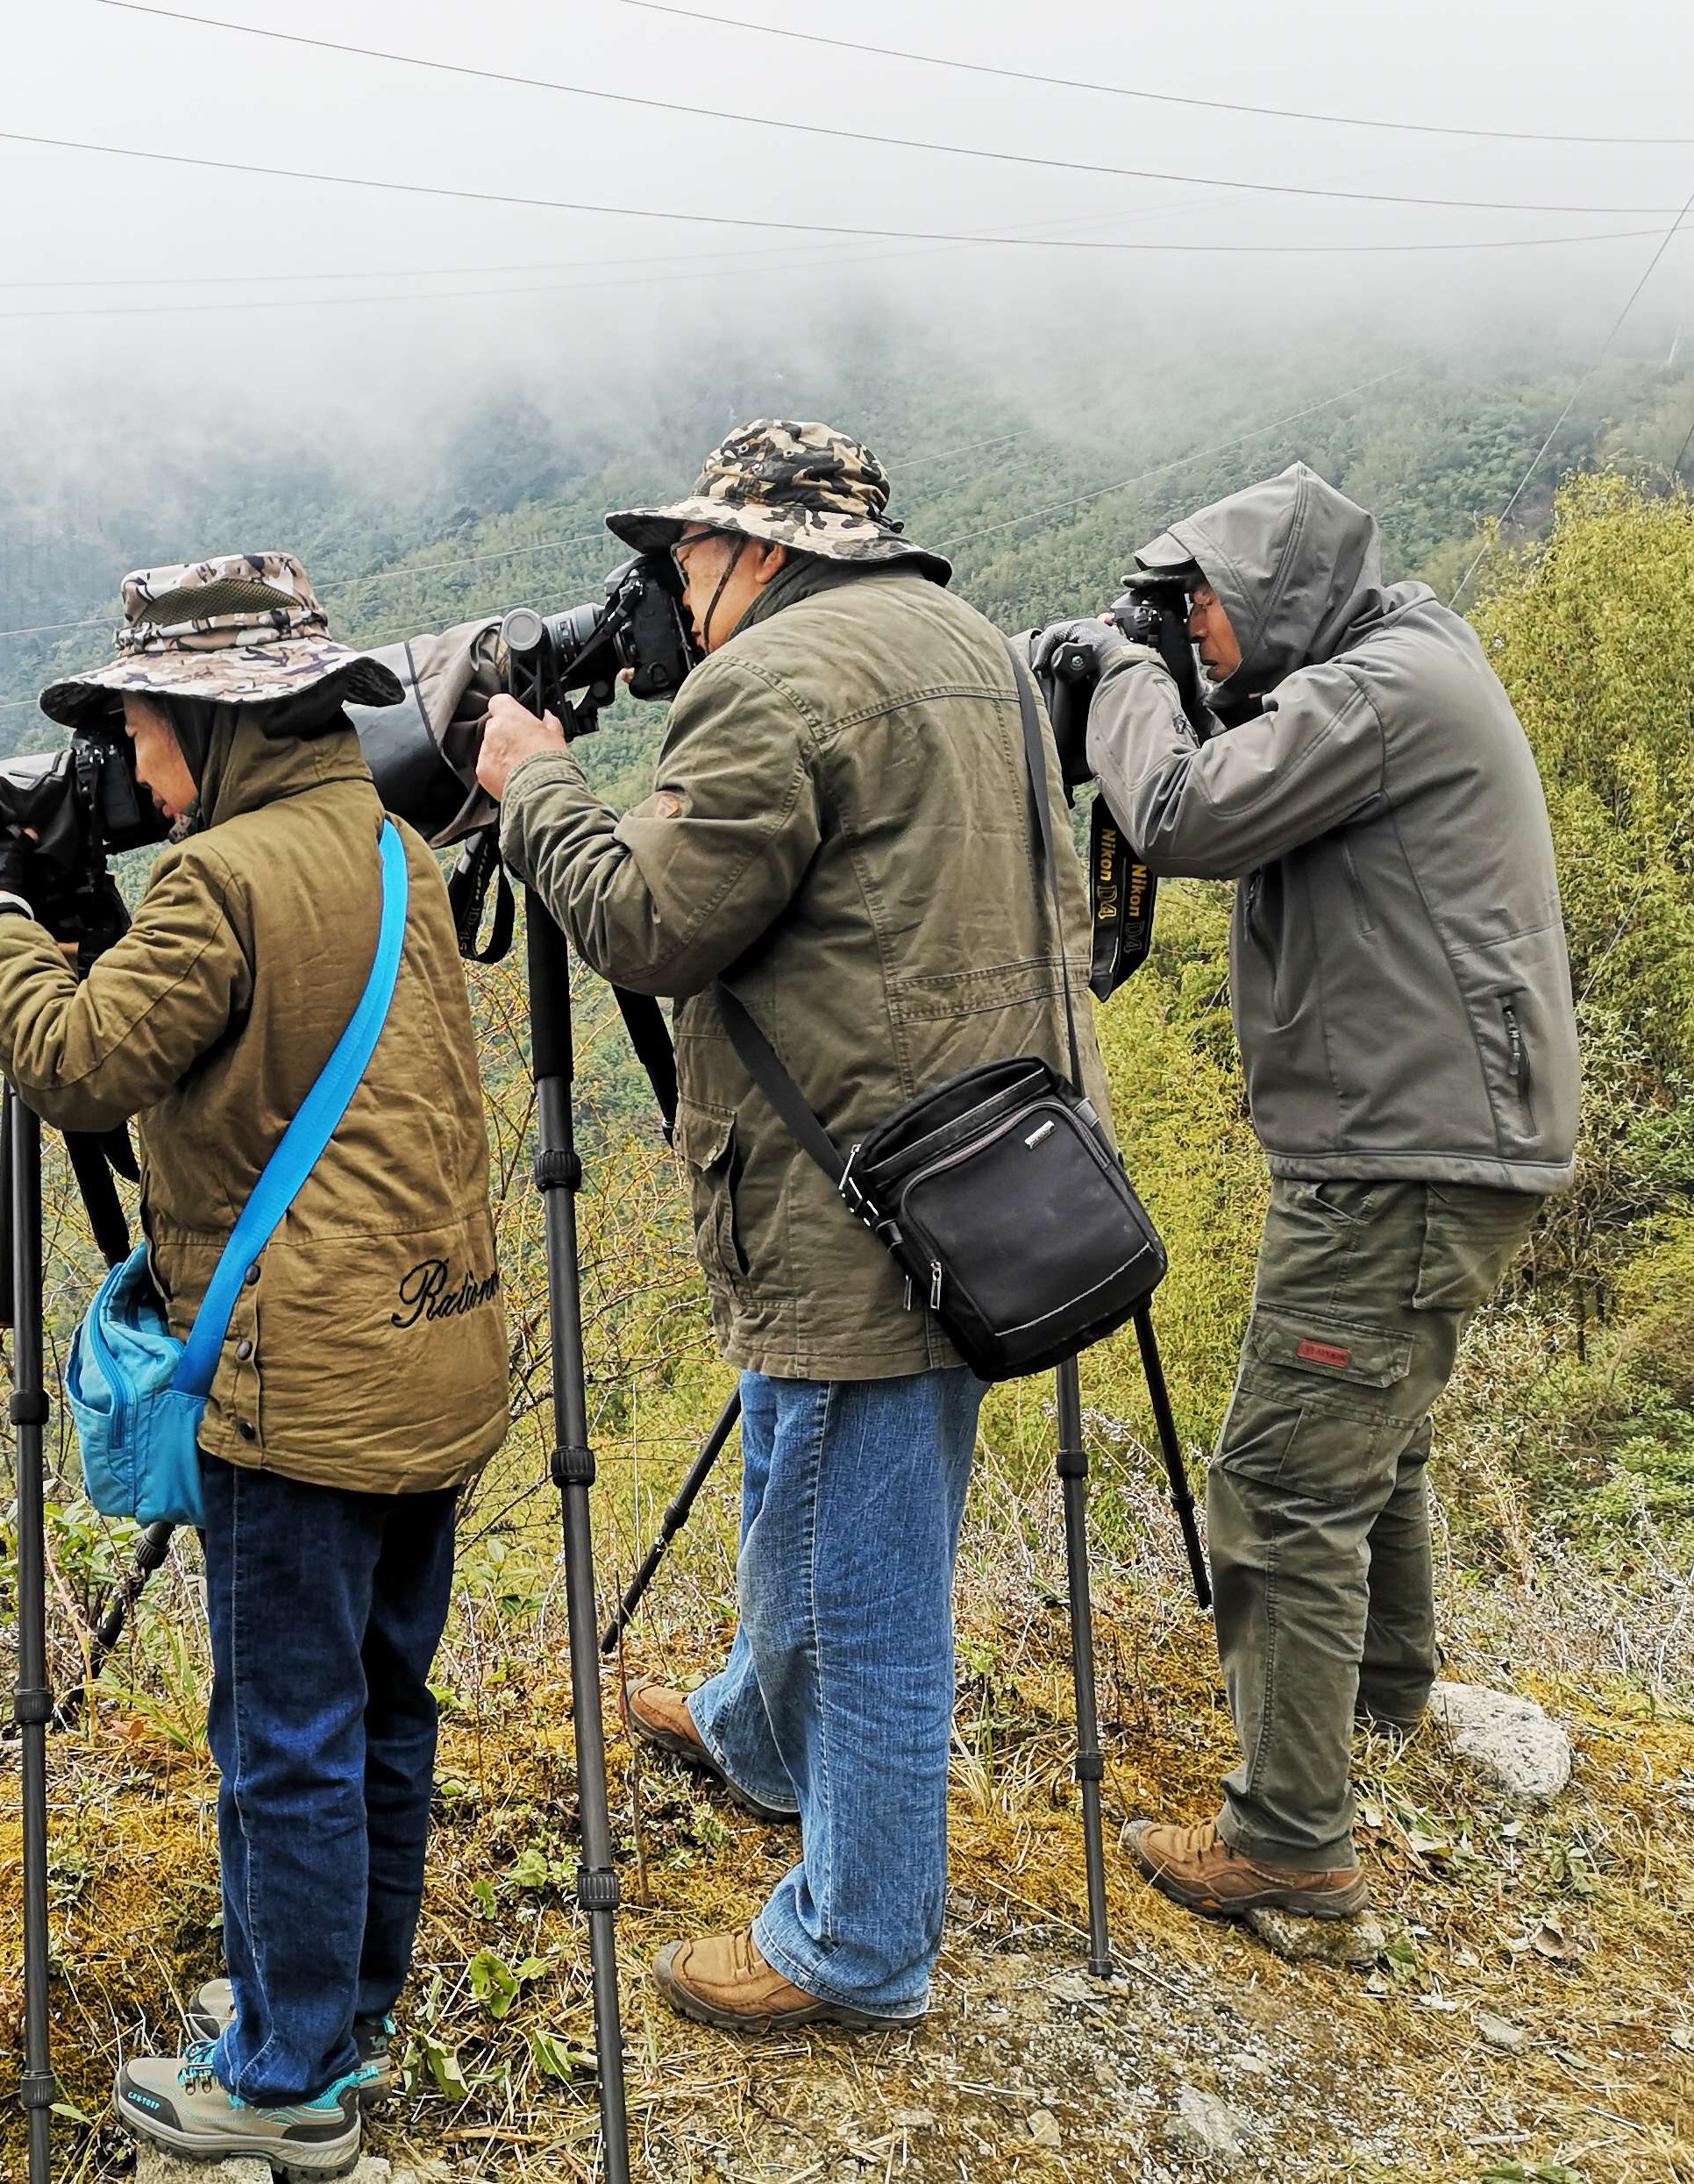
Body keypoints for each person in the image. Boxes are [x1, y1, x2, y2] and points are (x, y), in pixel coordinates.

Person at [473, 422, 1107, 2033]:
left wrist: (533, 779)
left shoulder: (770, 681)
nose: (673, 590)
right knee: (802, 1477)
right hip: (993, 1171)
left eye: (687, 557)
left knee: (864, 1584)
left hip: (858, 1201)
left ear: (758, 551)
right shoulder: (968, 643)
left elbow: (647, 923)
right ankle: (758, 1732)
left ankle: (857, 1942)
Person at [0, 552, 508, 2176]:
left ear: (207, 719)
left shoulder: (221, 882)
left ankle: (280, 2078)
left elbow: (75, 1064)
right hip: (432, 1349)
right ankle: (343, 2000)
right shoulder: (395, 847)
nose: (125, 762)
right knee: (382, 1704)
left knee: (282, 1736)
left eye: (132, 726)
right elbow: (231, 1031)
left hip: (302, 1383)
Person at [1034, 464, 1577, 1926]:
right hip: (1433, 1141)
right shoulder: (1399, 656)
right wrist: (1159, 670)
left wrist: (1119, 676)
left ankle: (1287, 1837)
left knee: (1279, 1486)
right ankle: (1385, 1698)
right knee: (1367, 1438)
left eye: (1194, 609)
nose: (1190, 635)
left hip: (1402, 1158)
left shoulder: (1374, 695)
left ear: (1263, 599)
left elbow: (1179, 815)